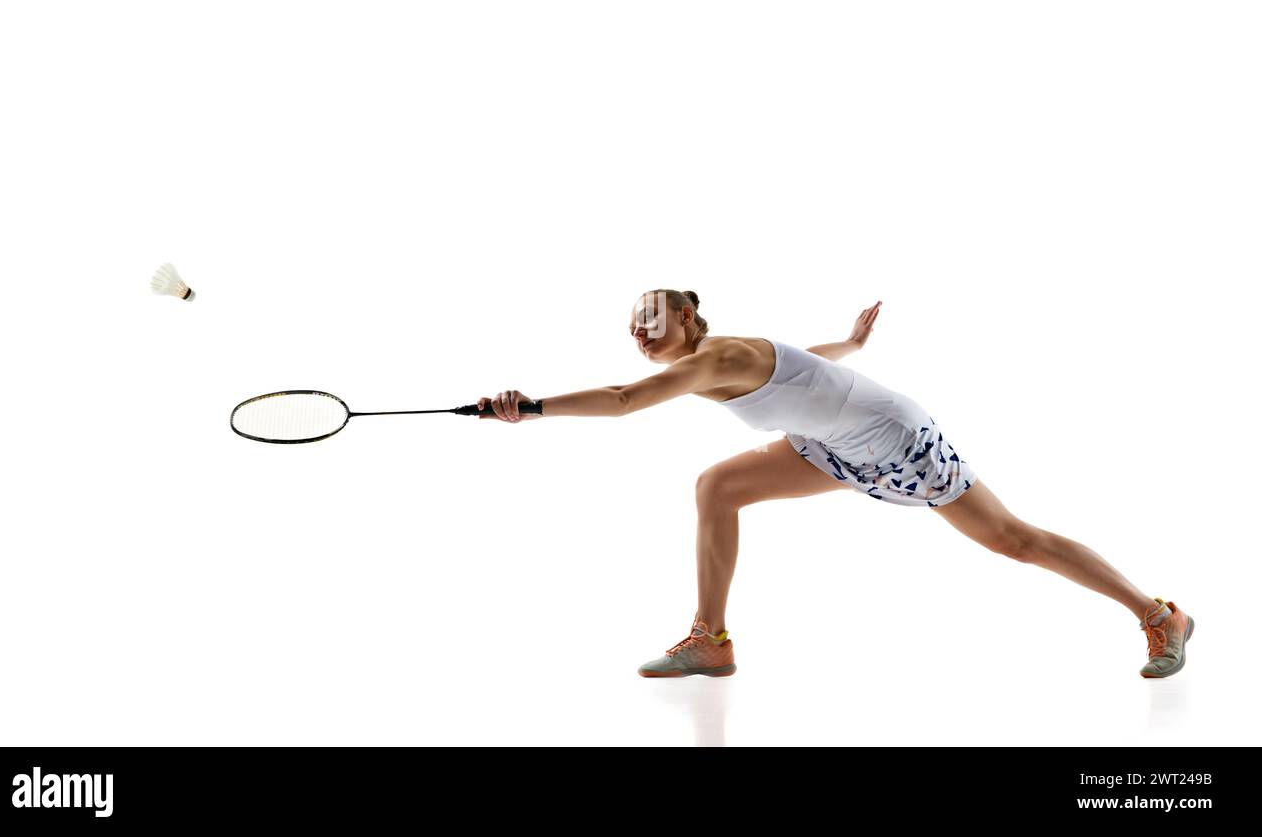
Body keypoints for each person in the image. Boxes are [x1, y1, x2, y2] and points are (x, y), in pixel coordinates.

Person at [477, 289, 1193, 679]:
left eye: (655, 318)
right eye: (635, 326)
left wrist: (530, 407)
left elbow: (626, 398)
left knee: (1011, 539)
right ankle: (711, 639)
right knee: (717, 487)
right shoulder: (714, 364)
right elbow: (804, 362)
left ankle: (1159, 614)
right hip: (832, 445)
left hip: (895, 436)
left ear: (691, 316)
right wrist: (849, 343)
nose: (643, 330)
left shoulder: (705, 357)